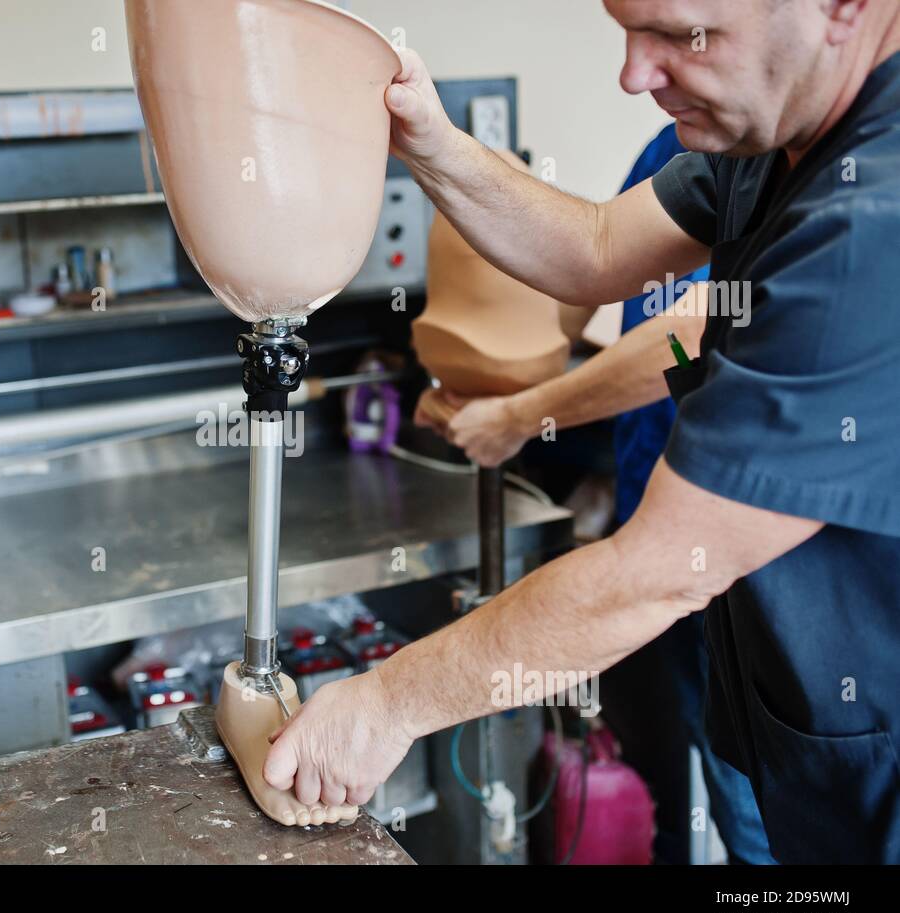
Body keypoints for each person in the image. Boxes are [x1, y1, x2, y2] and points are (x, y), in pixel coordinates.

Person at [263, 0, 900, 863]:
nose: (633, 75)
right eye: (626, 30)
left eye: (680, 34)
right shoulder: (778, 136)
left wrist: (386, 705)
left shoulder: (874, 225)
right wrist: (433, 145)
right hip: (805, 738)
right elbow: (597, 245)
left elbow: (657, 573)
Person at [426, 123, 774, 864]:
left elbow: (690, 334)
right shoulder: (676, 145)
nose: (640, 76)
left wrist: (522, 415)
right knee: (682, 758)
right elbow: (586, 271)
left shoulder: (820, 172)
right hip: (651, 500)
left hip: (745, 551)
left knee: (759, 815)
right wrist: (471, 382)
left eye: (672, 37)